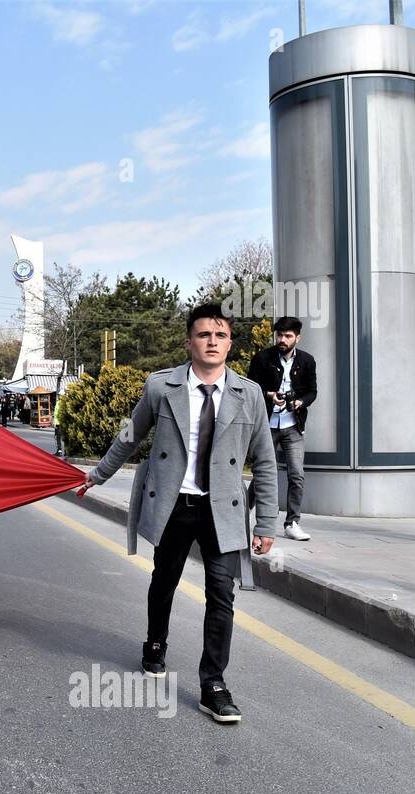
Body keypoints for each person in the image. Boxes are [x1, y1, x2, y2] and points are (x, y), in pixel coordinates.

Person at [77, 302, 278, 725]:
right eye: (204, 335)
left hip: (222, 509)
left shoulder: (249, 395)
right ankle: (155, 642)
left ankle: (214, 684)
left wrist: (265, 523)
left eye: (220, 336)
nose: (212, 342)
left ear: (230, 344)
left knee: (221, 594)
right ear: (189, 342)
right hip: (173, 504)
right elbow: (130, 436)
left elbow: (265, 460)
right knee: (164, 579)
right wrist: (97, 475)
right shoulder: (161, 386)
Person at [246, 316, 317, 541]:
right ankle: (241, 515)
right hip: (267, 425)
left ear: (298, 338)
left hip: (293, 425)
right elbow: (250, 387)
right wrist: (269, 395)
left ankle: (292, 523)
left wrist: (300, 402)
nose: (282, 340)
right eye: (279, 335)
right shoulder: (262, 358)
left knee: (297, 475)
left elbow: (312, 391)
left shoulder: (307, 361)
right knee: (262, 473)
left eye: (287, 336)